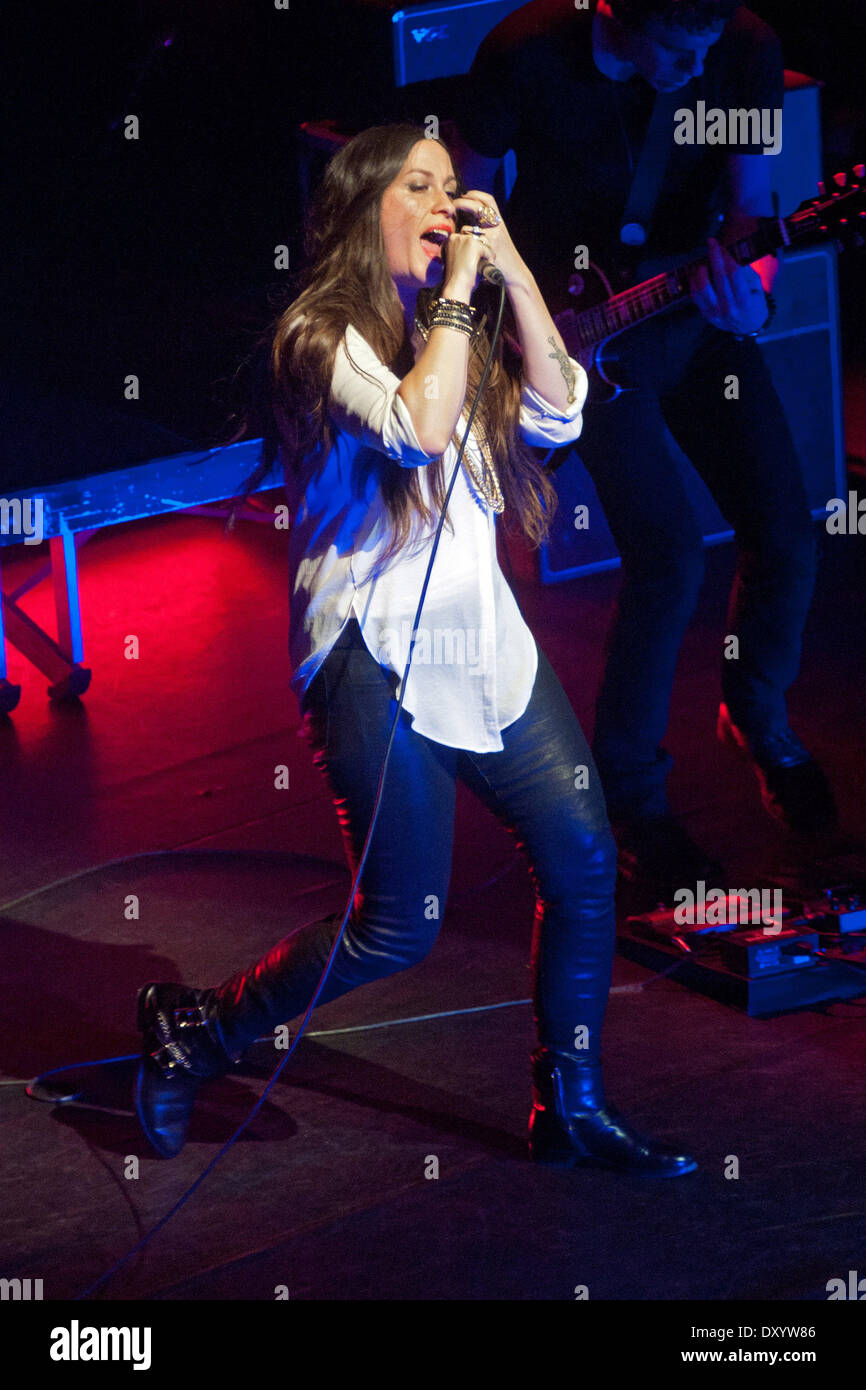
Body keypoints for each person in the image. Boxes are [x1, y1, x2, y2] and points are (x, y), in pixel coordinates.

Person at [134, 123, 696, 1176]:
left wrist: (515, 272)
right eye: (422, 187)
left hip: (482, 642)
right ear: (362, 208)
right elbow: (416, 430)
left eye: (456, 188)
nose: (448, 206)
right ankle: (201, 1031)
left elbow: (562, 409)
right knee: (399, 925)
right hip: (369, 656)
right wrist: (454, 300)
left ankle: (567, 1104)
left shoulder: (460, 322)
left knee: (581, 864)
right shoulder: (320, 335)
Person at [455, 0, 837, 898]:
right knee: (666, 558)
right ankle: (631, 803)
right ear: (612, 12)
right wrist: (502, 331)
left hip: (689, 314)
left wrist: (756, 292)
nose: (690, 70)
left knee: (784, 530)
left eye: (703, 52)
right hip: (566, 338)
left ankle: (758, 716)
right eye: (672, 50)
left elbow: (751, 211)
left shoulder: (742, 48)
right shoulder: (526, 52)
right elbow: (460, 205)